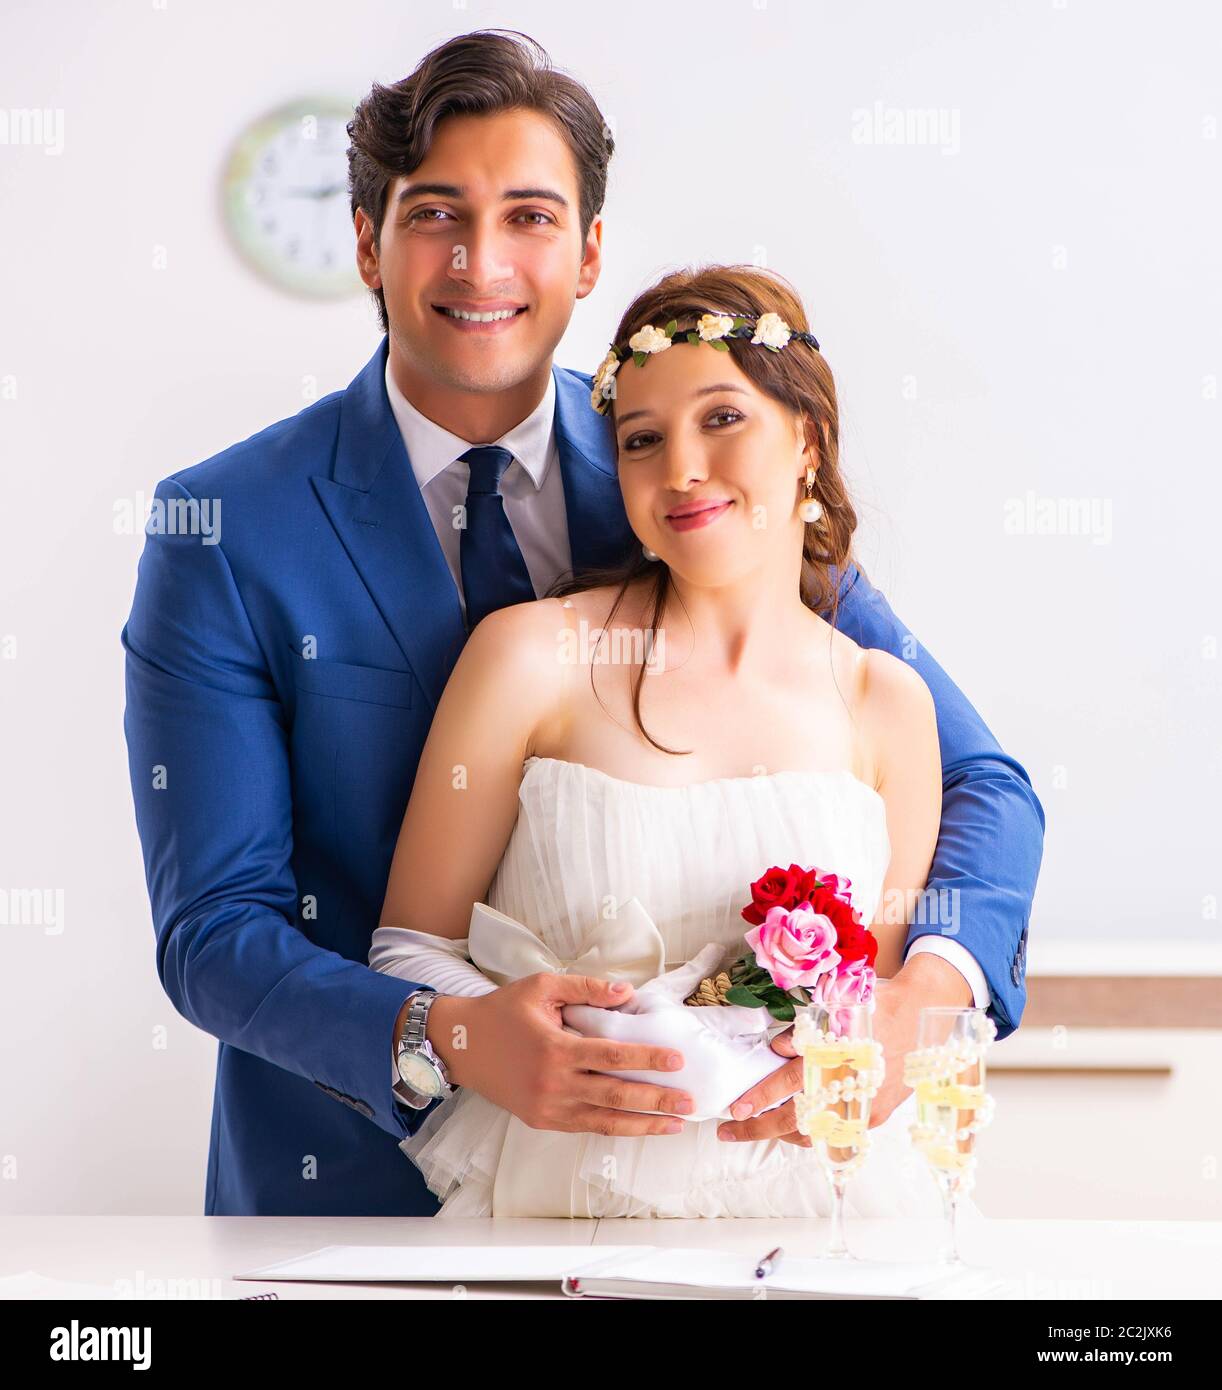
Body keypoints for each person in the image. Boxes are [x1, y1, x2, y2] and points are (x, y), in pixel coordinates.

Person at [122, 30, 1043, 1217]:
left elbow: (983, 783)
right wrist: (440, 1035)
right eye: (435, 214)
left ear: (591, 250)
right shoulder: (224, 528)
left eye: (531, 217)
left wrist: (924, 993)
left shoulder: (694, 473)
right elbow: (211, 929)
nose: (481, 261)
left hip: (725, 1198)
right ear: (367, 240)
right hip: (341, 1195)